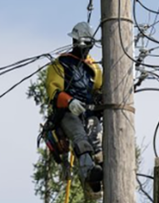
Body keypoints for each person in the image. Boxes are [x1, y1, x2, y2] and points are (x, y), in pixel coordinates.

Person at [45, 22, 104, 193]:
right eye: (78, 43)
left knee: (97, 139)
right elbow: (53, 90)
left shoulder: (94, 68)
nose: (81, 47)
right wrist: (69, 102)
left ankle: (102, 172)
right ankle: (89, 172)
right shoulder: (61, 63)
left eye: (86, 44)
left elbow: (101, 89)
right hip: (67, 113)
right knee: (80, 136)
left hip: (88, 111)